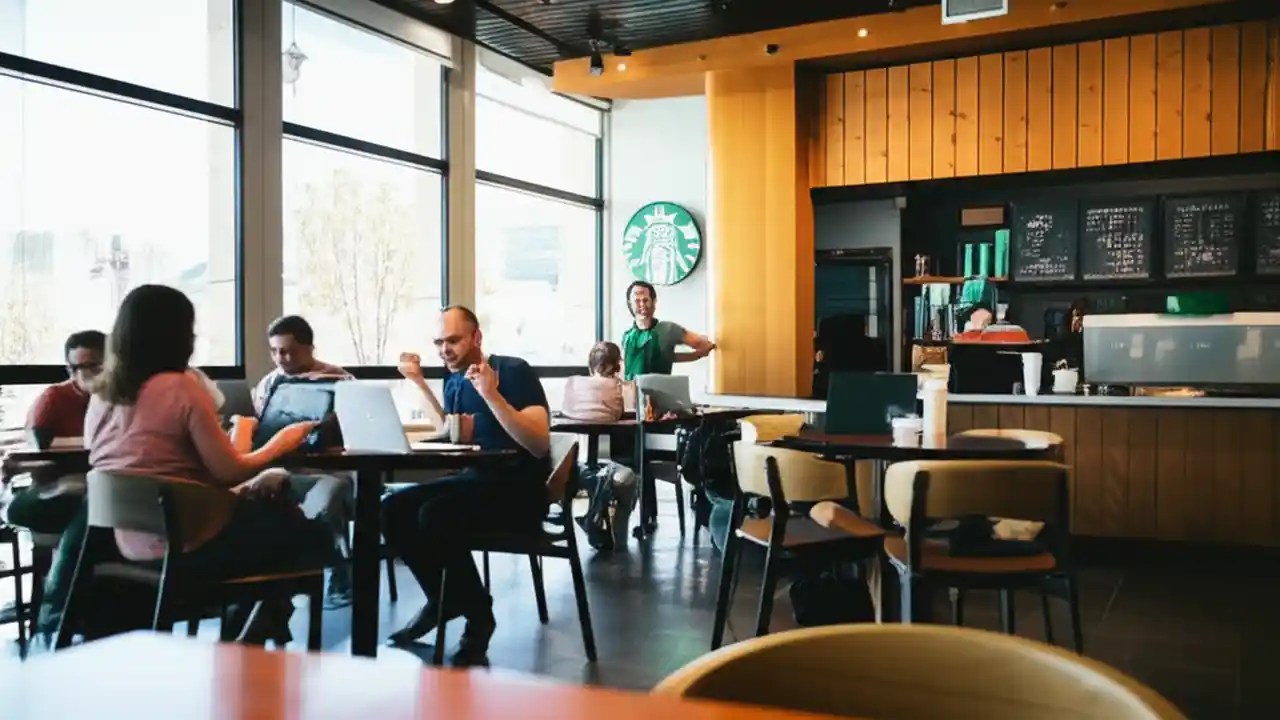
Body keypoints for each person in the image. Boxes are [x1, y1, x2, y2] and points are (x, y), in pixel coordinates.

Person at [71, 284, 335, 644]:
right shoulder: (181, 387)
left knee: (280, 523)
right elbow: (228, 472)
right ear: (177, 336)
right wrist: (280, 443)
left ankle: (256, 627)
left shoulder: (101, 394)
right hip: (190, 545)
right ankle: (251, 637)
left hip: (128, 543)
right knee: (308, 535)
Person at [384, 306, 550, 666]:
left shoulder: (512, 370)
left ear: (477, 337)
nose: (445, 349)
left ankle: (476, 616)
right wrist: (419, 383)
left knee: (435, 514)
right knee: (390, 507)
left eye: (454, 340)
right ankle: (443, 600)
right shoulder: (455, 380)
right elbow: (451, 428)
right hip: (476, 480)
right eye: (439, 342)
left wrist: (493, 395)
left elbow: (538, 444)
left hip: (519, 489)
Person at [0, 331, 104, 625]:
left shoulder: (118, 400)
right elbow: (34, 454)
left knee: (103, 505)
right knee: (93, 506)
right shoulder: (54, 399)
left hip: (98, 488)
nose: (82, 375)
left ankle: (76, 605)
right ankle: (59, 602)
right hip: (55, 489)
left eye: (93, 366)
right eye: (74, 368)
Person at [252, 314, 355, 609]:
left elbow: (356, 431)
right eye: (274, 351)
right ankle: (275, 583)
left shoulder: (340, 380)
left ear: (310, 348)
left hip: (332, 468)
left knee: (329, 491)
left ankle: (338, 572)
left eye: (288, 351)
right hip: (283, 466)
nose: (280, 358)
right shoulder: (270, 384)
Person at [560, 342, 638, 550]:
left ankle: (594, 518)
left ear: (590, 366)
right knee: (626, 479)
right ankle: (617, 539)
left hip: (575, 463)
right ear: (617, 366)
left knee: (606, 475)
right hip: (611, 461)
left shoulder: (574, 388)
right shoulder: (621, 389)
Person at [620, 280, 716, 380]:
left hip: (659, 392)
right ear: (629, 303)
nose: (642, 304)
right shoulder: (627, 336)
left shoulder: (667, 329)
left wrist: (696, 354)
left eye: (645, 300)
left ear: (654, 301)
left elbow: (703, 344)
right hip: (631, 392)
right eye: (637, 300)